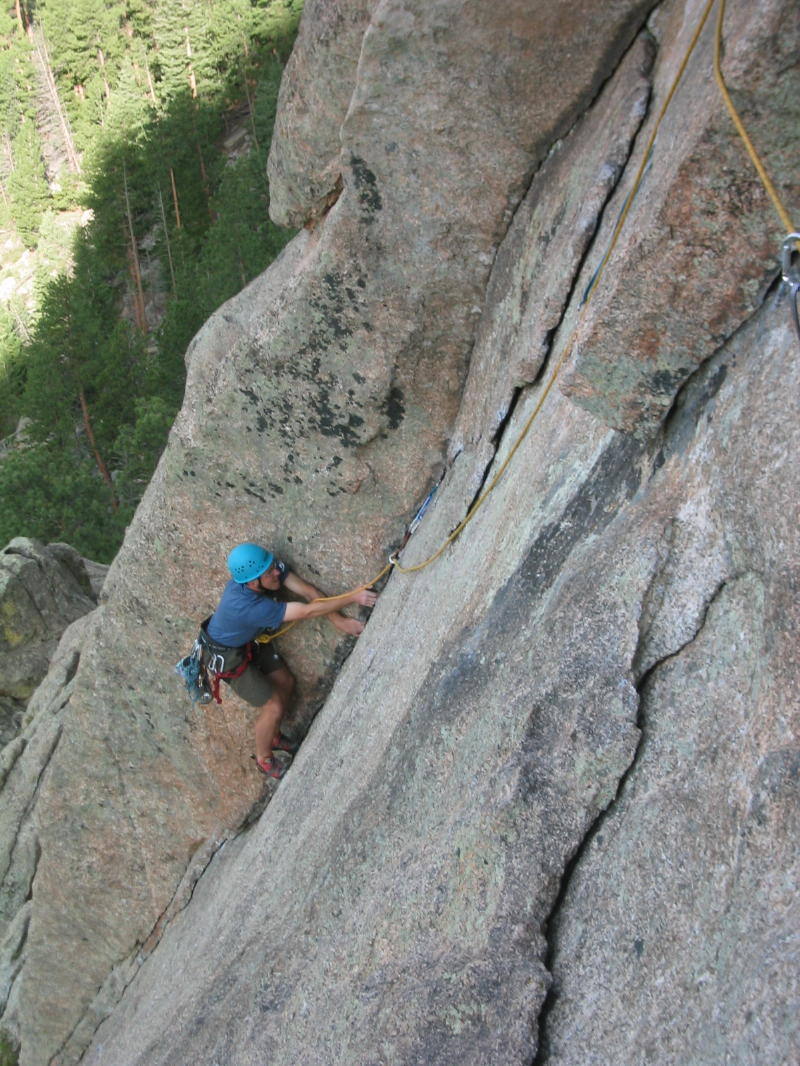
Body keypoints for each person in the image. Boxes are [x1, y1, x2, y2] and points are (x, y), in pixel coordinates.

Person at [202, 543, 377, 779]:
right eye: (270, 572)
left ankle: (273, 736)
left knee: (285, 682)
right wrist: (353, 597)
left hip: (246, 641)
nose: (277, 572)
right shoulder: (250, 607)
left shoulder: (261, 574)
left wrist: (340, 622)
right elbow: (306, 612)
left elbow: (309, 592)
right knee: (272, 707)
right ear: (254, 583)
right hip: (226, 657)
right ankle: (264, 758)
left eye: (273, 566)